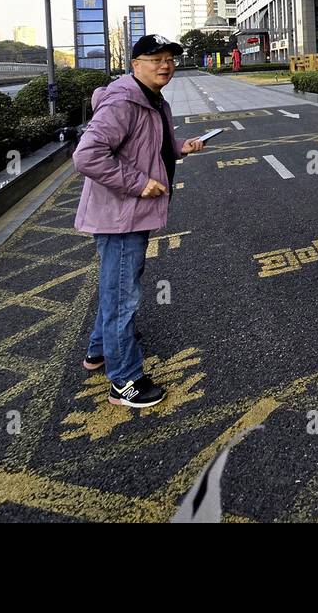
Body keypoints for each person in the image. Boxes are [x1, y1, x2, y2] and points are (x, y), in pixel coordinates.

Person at [73, 35, 205, 408]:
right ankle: (124, 382)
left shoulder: (151, 99)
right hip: (120, 217)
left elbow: (149, 146)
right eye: (155, 59)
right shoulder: (123, 102)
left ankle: (99, 351)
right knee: (122, 297)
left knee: (116, 288)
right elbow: (87, 155)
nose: (165, 65)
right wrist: (137, 183)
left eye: (169, 59)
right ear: (135, 64)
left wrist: (181, 146)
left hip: (129, 213)